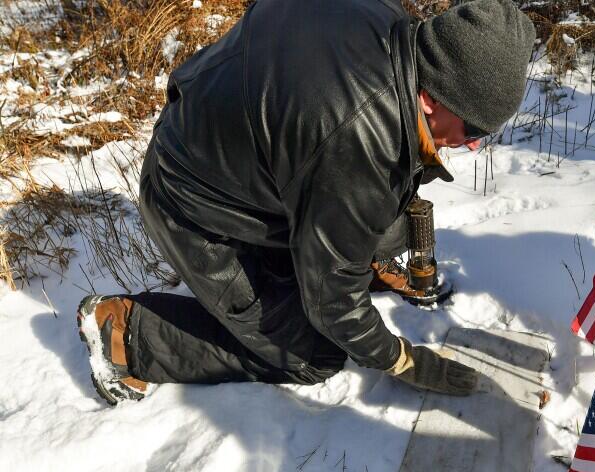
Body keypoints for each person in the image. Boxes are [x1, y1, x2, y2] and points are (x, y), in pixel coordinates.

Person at [76, 0, 536, 406]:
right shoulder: (358, 140)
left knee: (380, 222)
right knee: (313, 353)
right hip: (191, 206)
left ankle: (333, 257)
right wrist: (402, 361)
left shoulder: (386, 20)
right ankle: (126, 335)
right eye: (474, 130)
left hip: (219, 146)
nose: (474, 147)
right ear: (433, 97)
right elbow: (332, 305)